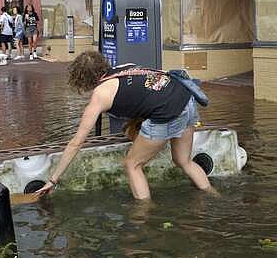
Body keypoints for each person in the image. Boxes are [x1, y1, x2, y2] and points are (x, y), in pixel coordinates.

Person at [36, 51, 213, 200]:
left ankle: (144, 215)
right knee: (183, 161)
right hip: (186, 98)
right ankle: (213, 195)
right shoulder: (125, 68)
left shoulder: (100, 95)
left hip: (168, 112)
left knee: (132, 164)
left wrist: (53, 180)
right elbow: (146, 95)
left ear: (81, 79)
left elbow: (76, 143)